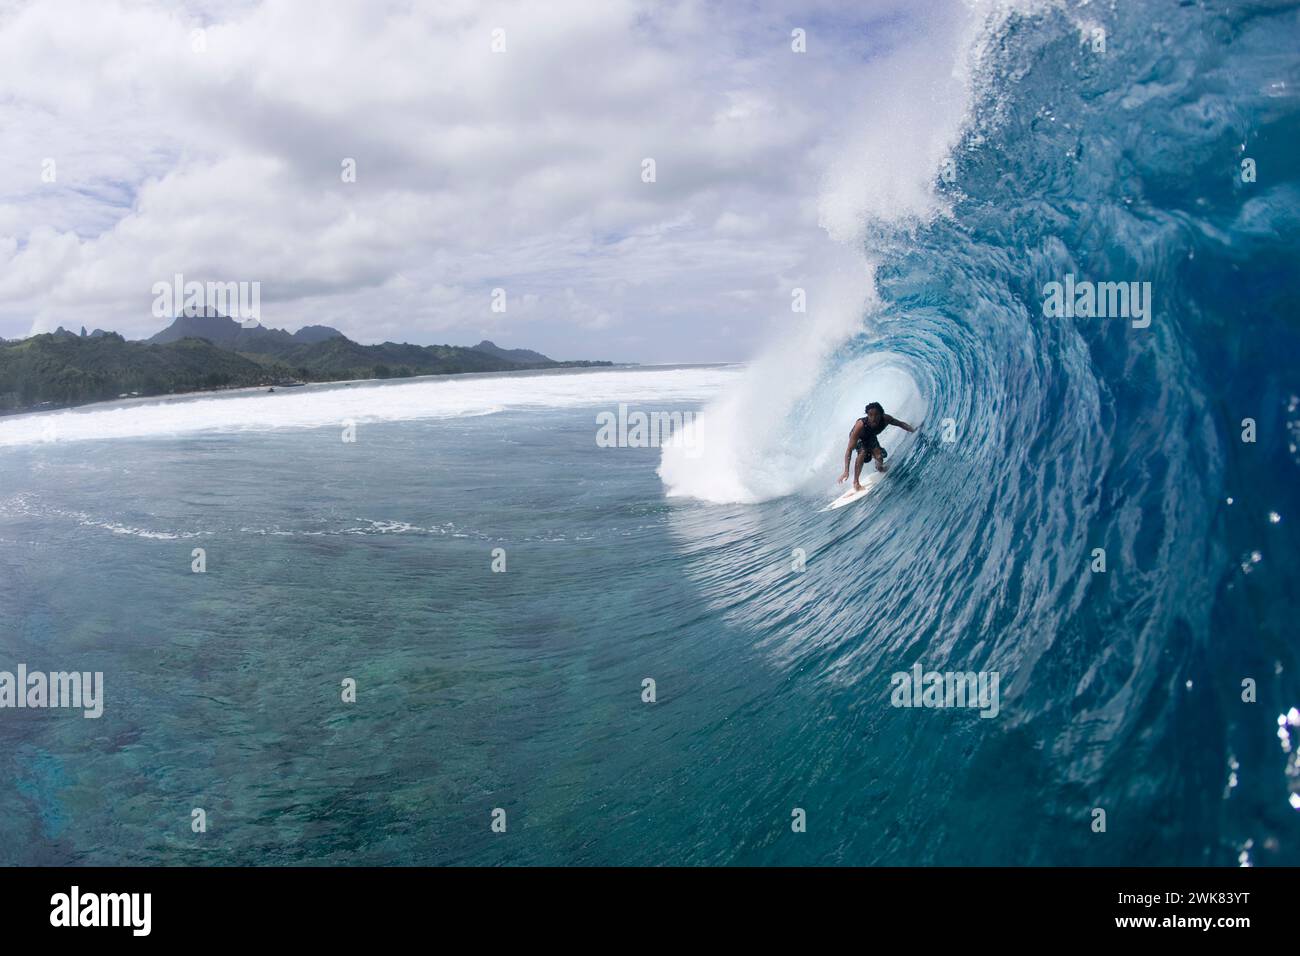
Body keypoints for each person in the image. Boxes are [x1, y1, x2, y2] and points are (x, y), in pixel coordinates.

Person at [838, 402, 916, 491]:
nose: (873, 418)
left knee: (879, 456)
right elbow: (849, 450)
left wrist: (913, 430)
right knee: (863, 452)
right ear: (867, 415)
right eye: (870, 415)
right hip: (859, 438)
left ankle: (879, 467)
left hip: (870, 437)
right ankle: (856, 481)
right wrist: (846, 471)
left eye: (876, 415)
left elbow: (901, 424)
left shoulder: (886, 419)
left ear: (881, 414)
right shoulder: (860, 426)